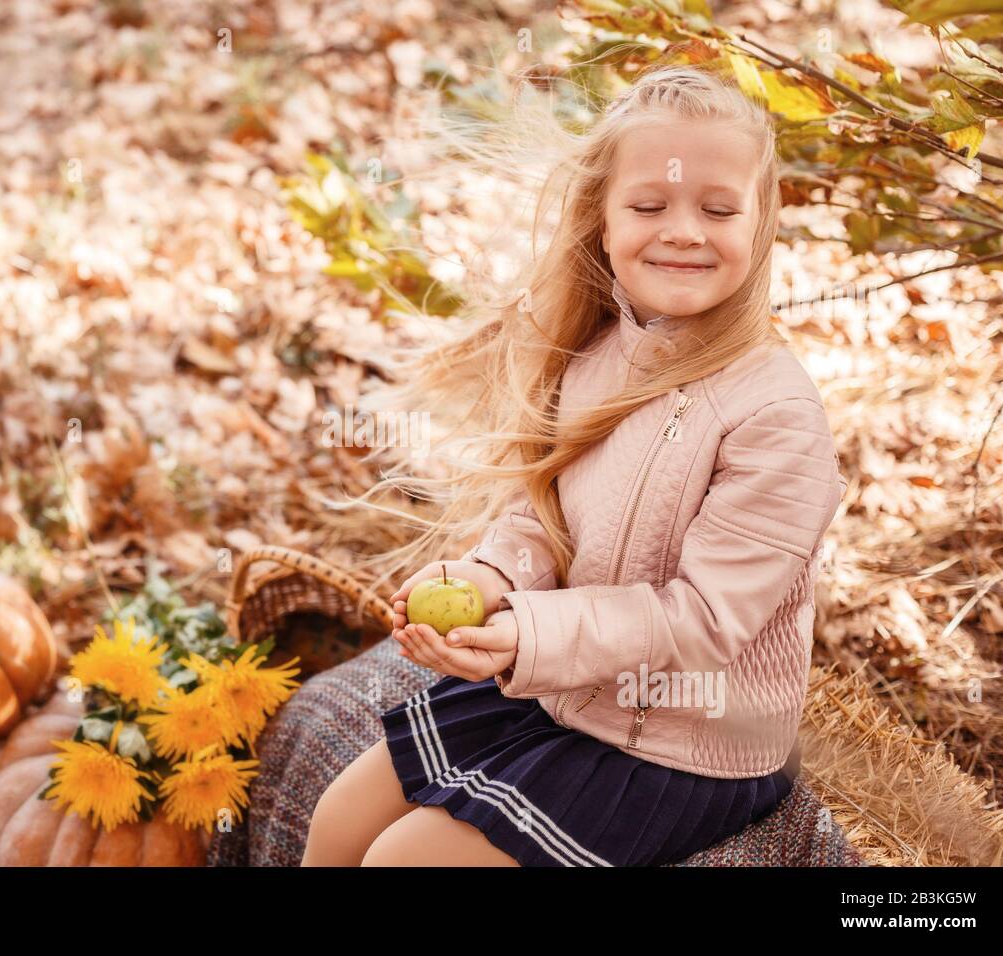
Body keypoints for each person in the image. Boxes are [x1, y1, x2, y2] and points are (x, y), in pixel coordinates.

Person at [301, 65, 846, 867]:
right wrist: (488, 580)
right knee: (340, 821)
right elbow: (542, 518)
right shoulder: (593, 355)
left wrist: (526, 638)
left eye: (719, 209)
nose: (685, 230)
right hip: (562, 686)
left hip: (676, 742)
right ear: (602, 219)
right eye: (650, 206)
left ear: (761, 225)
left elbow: (699, 623)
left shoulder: (776, 417)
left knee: (401, 861)